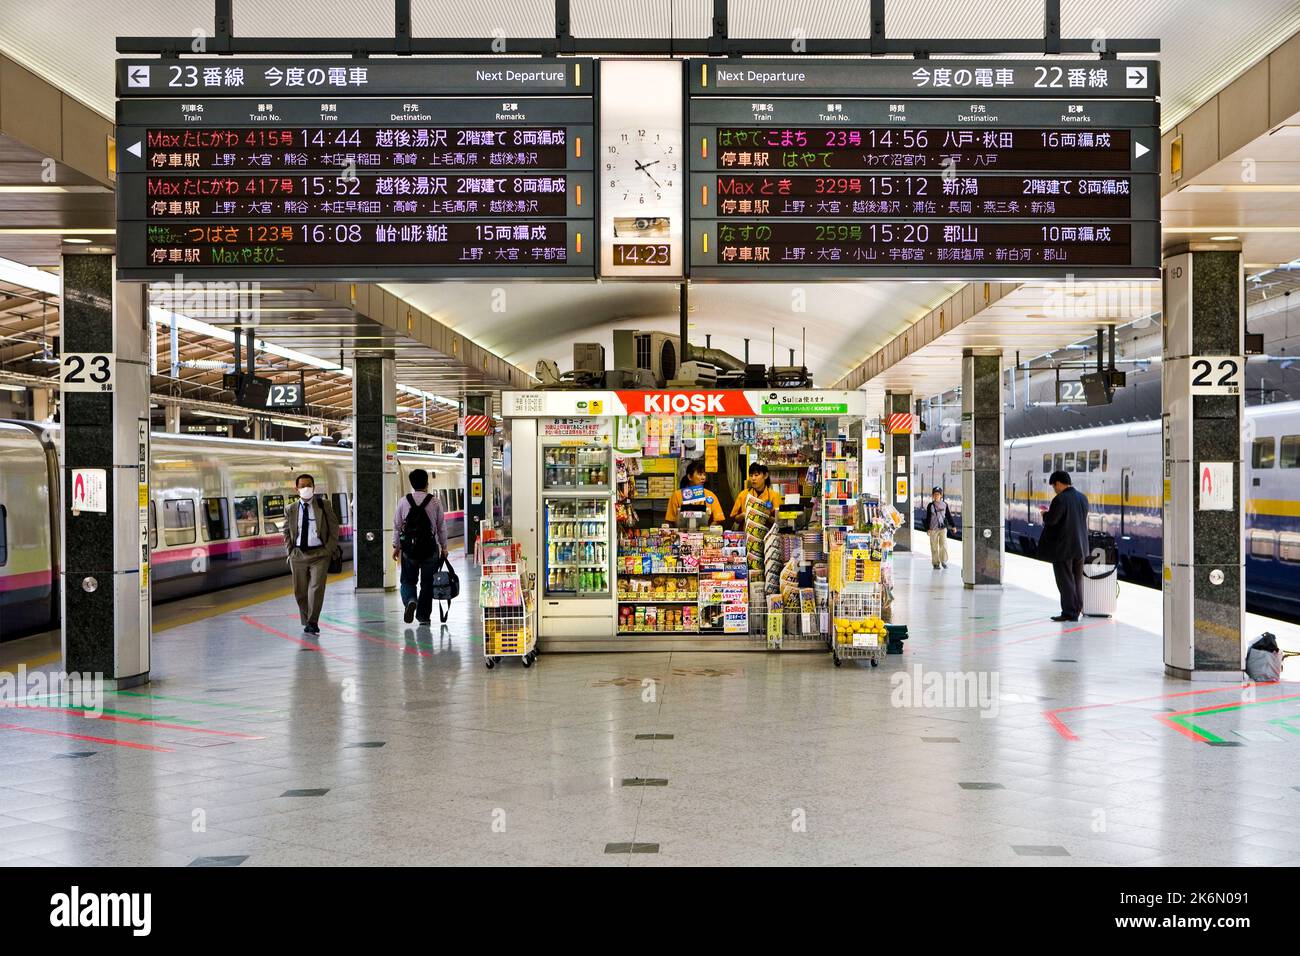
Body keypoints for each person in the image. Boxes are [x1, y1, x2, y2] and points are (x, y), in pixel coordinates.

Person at [282, 473, 339, 635]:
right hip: (298, 554)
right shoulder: (290, 509)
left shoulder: (323, 505)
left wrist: (329, 549)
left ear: (314, 487)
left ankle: (313, 622)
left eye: (308, 485)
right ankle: (308, 620)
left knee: (316, 588)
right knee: (300, 592)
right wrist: (290, 551)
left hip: (320, 554)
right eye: (302, 486)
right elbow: (286, 531)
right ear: (296, 489)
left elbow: (334, 527)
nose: (305, 488)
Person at [393, 468, 449, 626]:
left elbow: (397, 526)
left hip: (409, 550)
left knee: (408, 581)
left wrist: (396, 546)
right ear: (427, 483)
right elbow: (441, 528)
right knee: (427, 583)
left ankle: (411, 600)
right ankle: (423, 616)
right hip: (430, 549)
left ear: (411, 483)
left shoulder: (404, 501)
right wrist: (444, 547)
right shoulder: (435, 501)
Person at [1038, 470, 1089, 622]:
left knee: (1065, 580)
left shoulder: (1060, 500)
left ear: (1059, 483)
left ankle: (1069, 612)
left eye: (1054, 486)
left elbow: (1052, 520)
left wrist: (1044, 514)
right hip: (1080, 547)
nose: (1054, 489)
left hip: (1063, 548)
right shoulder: (1082, 498)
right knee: (1077, 579)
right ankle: (1077, 608)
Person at [664, 459, 725, 526]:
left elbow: (718, 519)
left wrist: (708, 530)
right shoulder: (677, 495)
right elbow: (670, 520)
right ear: (690, 477)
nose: (703, 477)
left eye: (704, 475)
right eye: (700, 474)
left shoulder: (710, 495)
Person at [729, 462, 782, 529]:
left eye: (756, 475)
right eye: (751, 475)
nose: (753, 478)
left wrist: (767, 517)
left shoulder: (774, 495)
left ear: (765, 476)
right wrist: (742, 515)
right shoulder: (743, 494)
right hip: (747, 536)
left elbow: (779, 522)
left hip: (767, 536)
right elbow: (734, 518)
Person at [924, 486, 956, 569]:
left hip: (943, 529)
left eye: (938, 494)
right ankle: (935, 563)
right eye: (935, 494)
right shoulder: (930, 505)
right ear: (932, 495)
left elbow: (948, 516)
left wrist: (953, 526)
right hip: (933, 529)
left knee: (943, 545)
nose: (936, 496)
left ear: (941, 495)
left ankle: (944, 561)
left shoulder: (945, 504)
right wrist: (927, 529)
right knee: (934, 547)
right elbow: (928, 518)